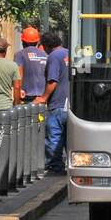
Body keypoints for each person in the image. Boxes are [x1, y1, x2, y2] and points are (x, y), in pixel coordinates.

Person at [41, 31, 69, 174]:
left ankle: (56, 167)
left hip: (57, 104)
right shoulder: (69, 53)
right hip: (71, 105)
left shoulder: (53, 57)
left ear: (46, 46)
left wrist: (43, 97)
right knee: (70, 139)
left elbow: (52, 81)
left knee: (54, 137)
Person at [15, 27, 48, 104]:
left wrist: (17, 94)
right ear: (37, 41)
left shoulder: (20, 54)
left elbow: (19, 75)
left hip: (26, 97)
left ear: (23, 41)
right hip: (43, 97)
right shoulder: (45, 55)